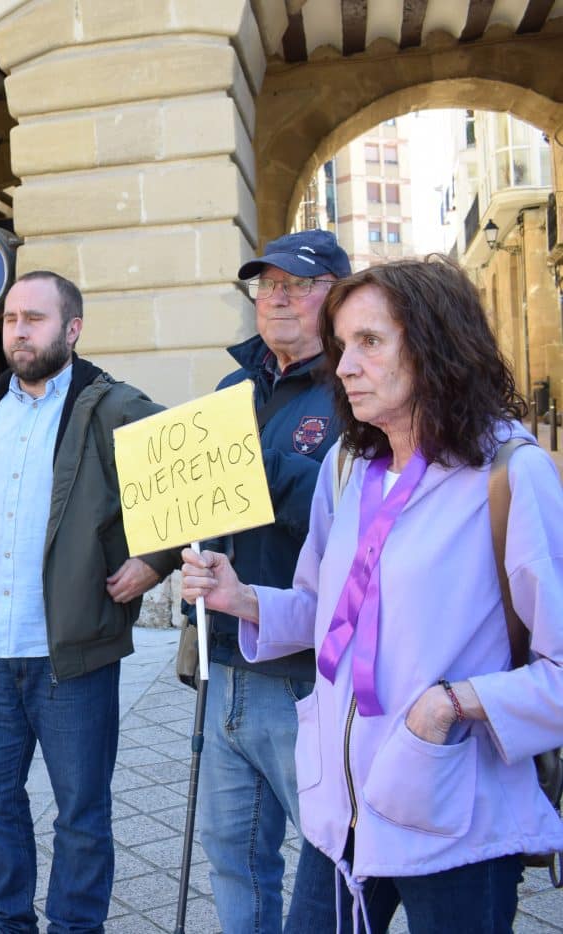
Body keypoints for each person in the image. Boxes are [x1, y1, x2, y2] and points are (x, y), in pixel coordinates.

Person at [182, 257, 563, 933]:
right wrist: (242, 599)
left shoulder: (511, 475)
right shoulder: (348, 467)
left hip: (452, 815)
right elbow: (325, 614)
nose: (346, 366)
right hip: (343, 813)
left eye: (370, 342)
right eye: (342, 346)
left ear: (437, 347)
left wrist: (448, 706)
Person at [0, 270, 180, 933]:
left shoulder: (113, 407)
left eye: (35, 319)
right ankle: (7, 918)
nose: (19, 331)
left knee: (81, 813)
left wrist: (154, 560)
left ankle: (75, 927)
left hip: (73, 653)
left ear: (72, 329)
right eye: (11, 319)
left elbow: (187, 476)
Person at [195, 229, 349, 934]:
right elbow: (205, 503)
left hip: (304, 672)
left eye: (298, 284)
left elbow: (354, 517)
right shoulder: (233, 387)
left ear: (336, 296)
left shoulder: (354, 389)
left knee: (330, 857)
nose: (278, 297)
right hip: (225, 658)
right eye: (267, 284)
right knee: (231, 855)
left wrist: (258, 467)